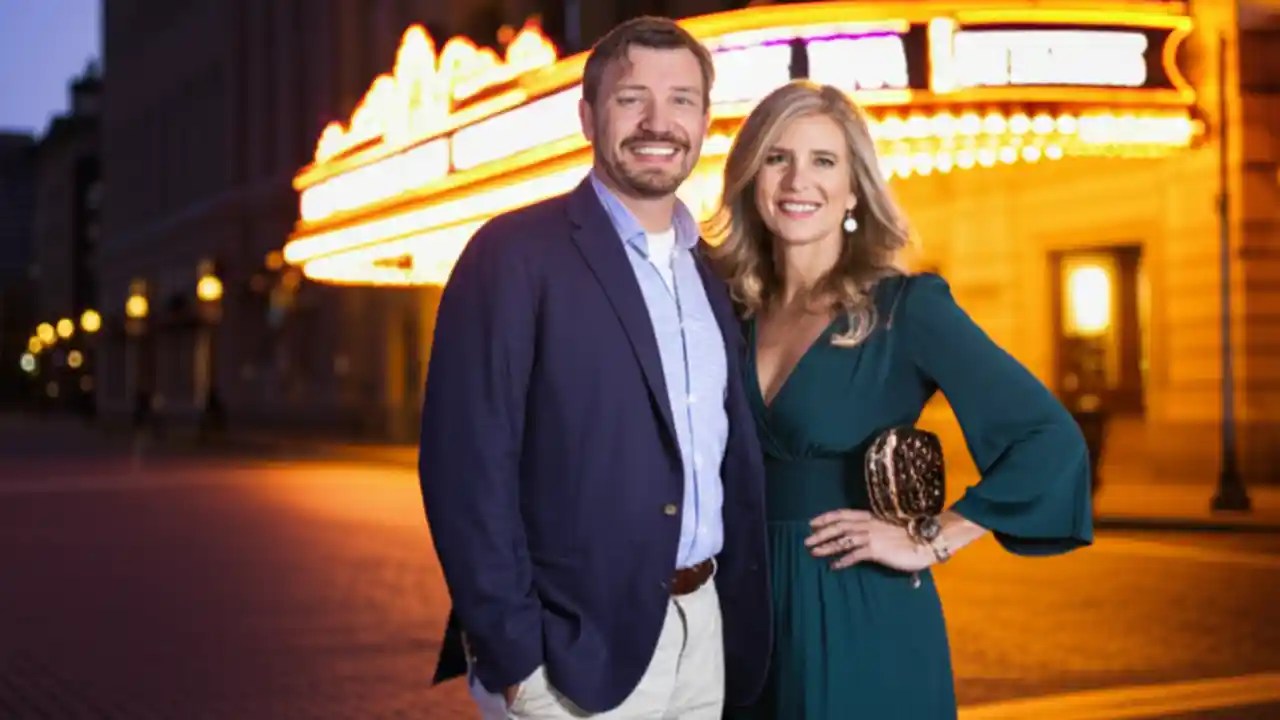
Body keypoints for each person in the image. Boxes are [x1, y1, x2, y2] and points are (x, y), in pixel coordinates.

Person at [417, 16, 772, 720]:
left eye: (681, 100)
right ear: (587, 115)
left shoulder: (714, 274)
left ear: (705, 120)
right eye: (630, 97)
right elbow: (466, 469)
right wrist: (516, 660)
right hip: (575, 656)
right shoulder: (514, 255)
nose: (657, 121)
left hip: (704, 636)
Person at [707, 81, 1094, 719]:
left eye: (824, 161)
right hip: (742, 617)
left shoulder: (906, 309)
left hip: (858, 608)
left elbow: (1049, 440)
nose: (798, 179)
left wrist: (931, 539)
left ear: (854, 188)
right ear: (751, 176)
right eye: (778, 158)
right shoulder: (729, 312)